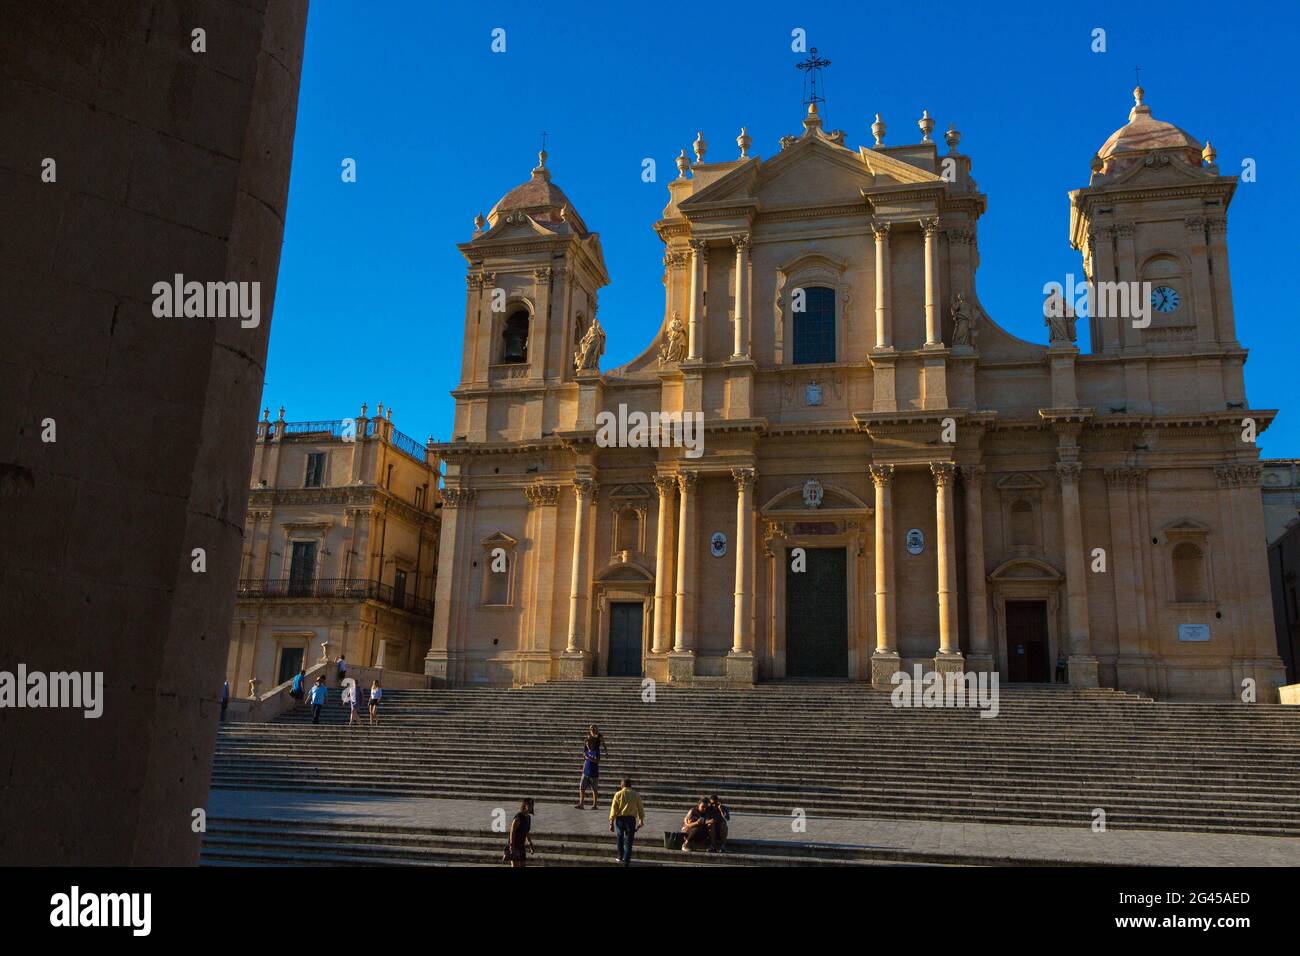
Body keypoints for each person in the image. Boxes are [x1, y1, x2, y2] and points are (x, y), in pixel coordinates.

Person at [608, 778, 645, 866]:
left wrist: (611, 822)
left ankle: (620, 856)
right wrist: (641, 820)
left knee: (620, 838)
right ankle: (626, 862)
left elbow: (613, 809)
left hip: (620, 819)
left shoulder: (618, 794)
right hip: (631, 820)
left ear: (622, 785)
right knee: (629, 842)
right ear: (630, 785)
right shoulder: (636, 794)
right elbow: (640, 808)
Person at [575, 724, 608, 809]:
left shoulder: (598, 738)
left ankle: (595, 805)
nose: (592, 729)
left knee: (594, 789)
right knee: (581, 788)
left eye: (593, 728)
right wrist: (583, 769)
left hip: (593, 772)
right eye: (591, 728)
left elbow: (598, 759)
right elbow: (585, 759)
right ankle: (581, 803)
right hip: (585, 772)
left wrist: (606, 751)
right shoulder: (588, 740)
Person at [505, 798, 535, 867]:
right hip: (515, 844)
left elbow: (526, 832)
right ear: (525, 805)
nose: (531, 806)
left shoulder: (528, 817)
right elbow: (512, 831)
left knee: (523, 865)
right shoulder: (518, 817)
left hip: (521, 845)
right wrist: (511, 846)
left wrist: (530, 844)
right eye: (529, 804)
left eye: (532, 804)